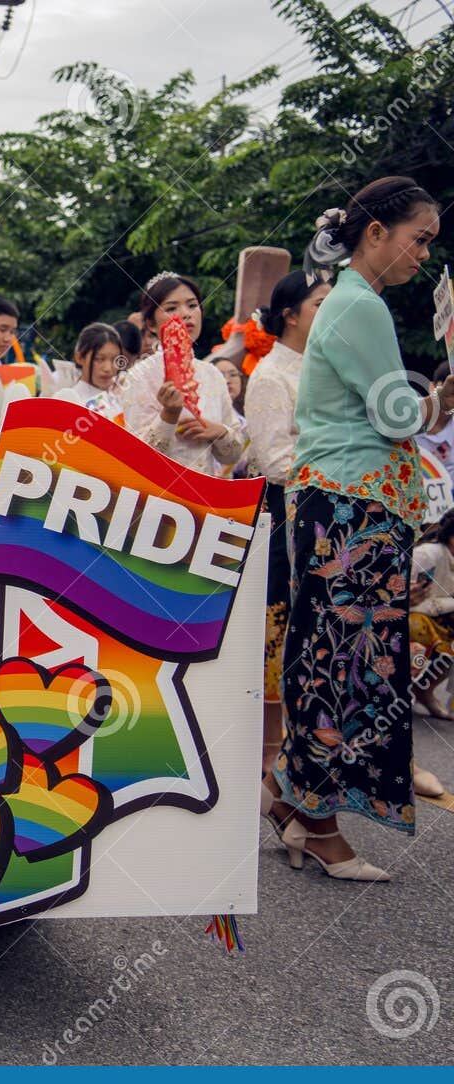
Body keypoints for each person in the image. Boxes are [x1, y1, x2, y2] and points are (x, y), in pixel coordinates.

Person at [275, 176, 451, 880]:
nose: (424, 257)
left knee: (335, 656)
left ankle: (290, 802)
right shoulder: (359, 307)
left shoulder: (350, 302)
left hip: (345, 507)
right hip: (352, 511)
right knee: (344, 666)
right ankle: (315, 821)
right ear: (375, 232)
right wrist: (446, 396)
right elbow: (395, 417)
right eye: (419, 239)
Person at [241, 269, 333, 805]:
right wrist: (341, 467)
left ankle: (298, 769)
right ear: (290, 314)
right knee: (280, 644)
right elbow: (274, 460)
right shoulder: (271, 375)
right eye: (320, 304)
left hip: (323, 516)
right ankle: (271, 768)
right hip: (288, 520)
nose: (330, 314)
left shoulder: (327, 367)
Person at [118, 273, 248, 476]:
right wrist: (169, 415)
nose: (186, 314)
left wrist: (220, 432)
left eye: (192, 305)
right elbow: (138, 459)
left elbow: (232, 455)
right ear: (151, 324)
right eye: (171, 308)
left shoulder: (212, 375)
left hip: (204, 497)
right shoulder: (138, 376)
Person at [409, 516, 454, 720]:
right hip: (409, 617)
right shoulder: (426, 555)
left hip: (440, 616)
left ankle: (425, 691)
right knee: (417, 625)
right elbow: (403, 596)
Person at [53, 322, 125, 421]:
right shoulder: (67, 401)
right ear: (80, 358)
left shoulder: (121, 400)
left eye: (115, 360)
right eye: (99, 359)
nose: (108, 368)